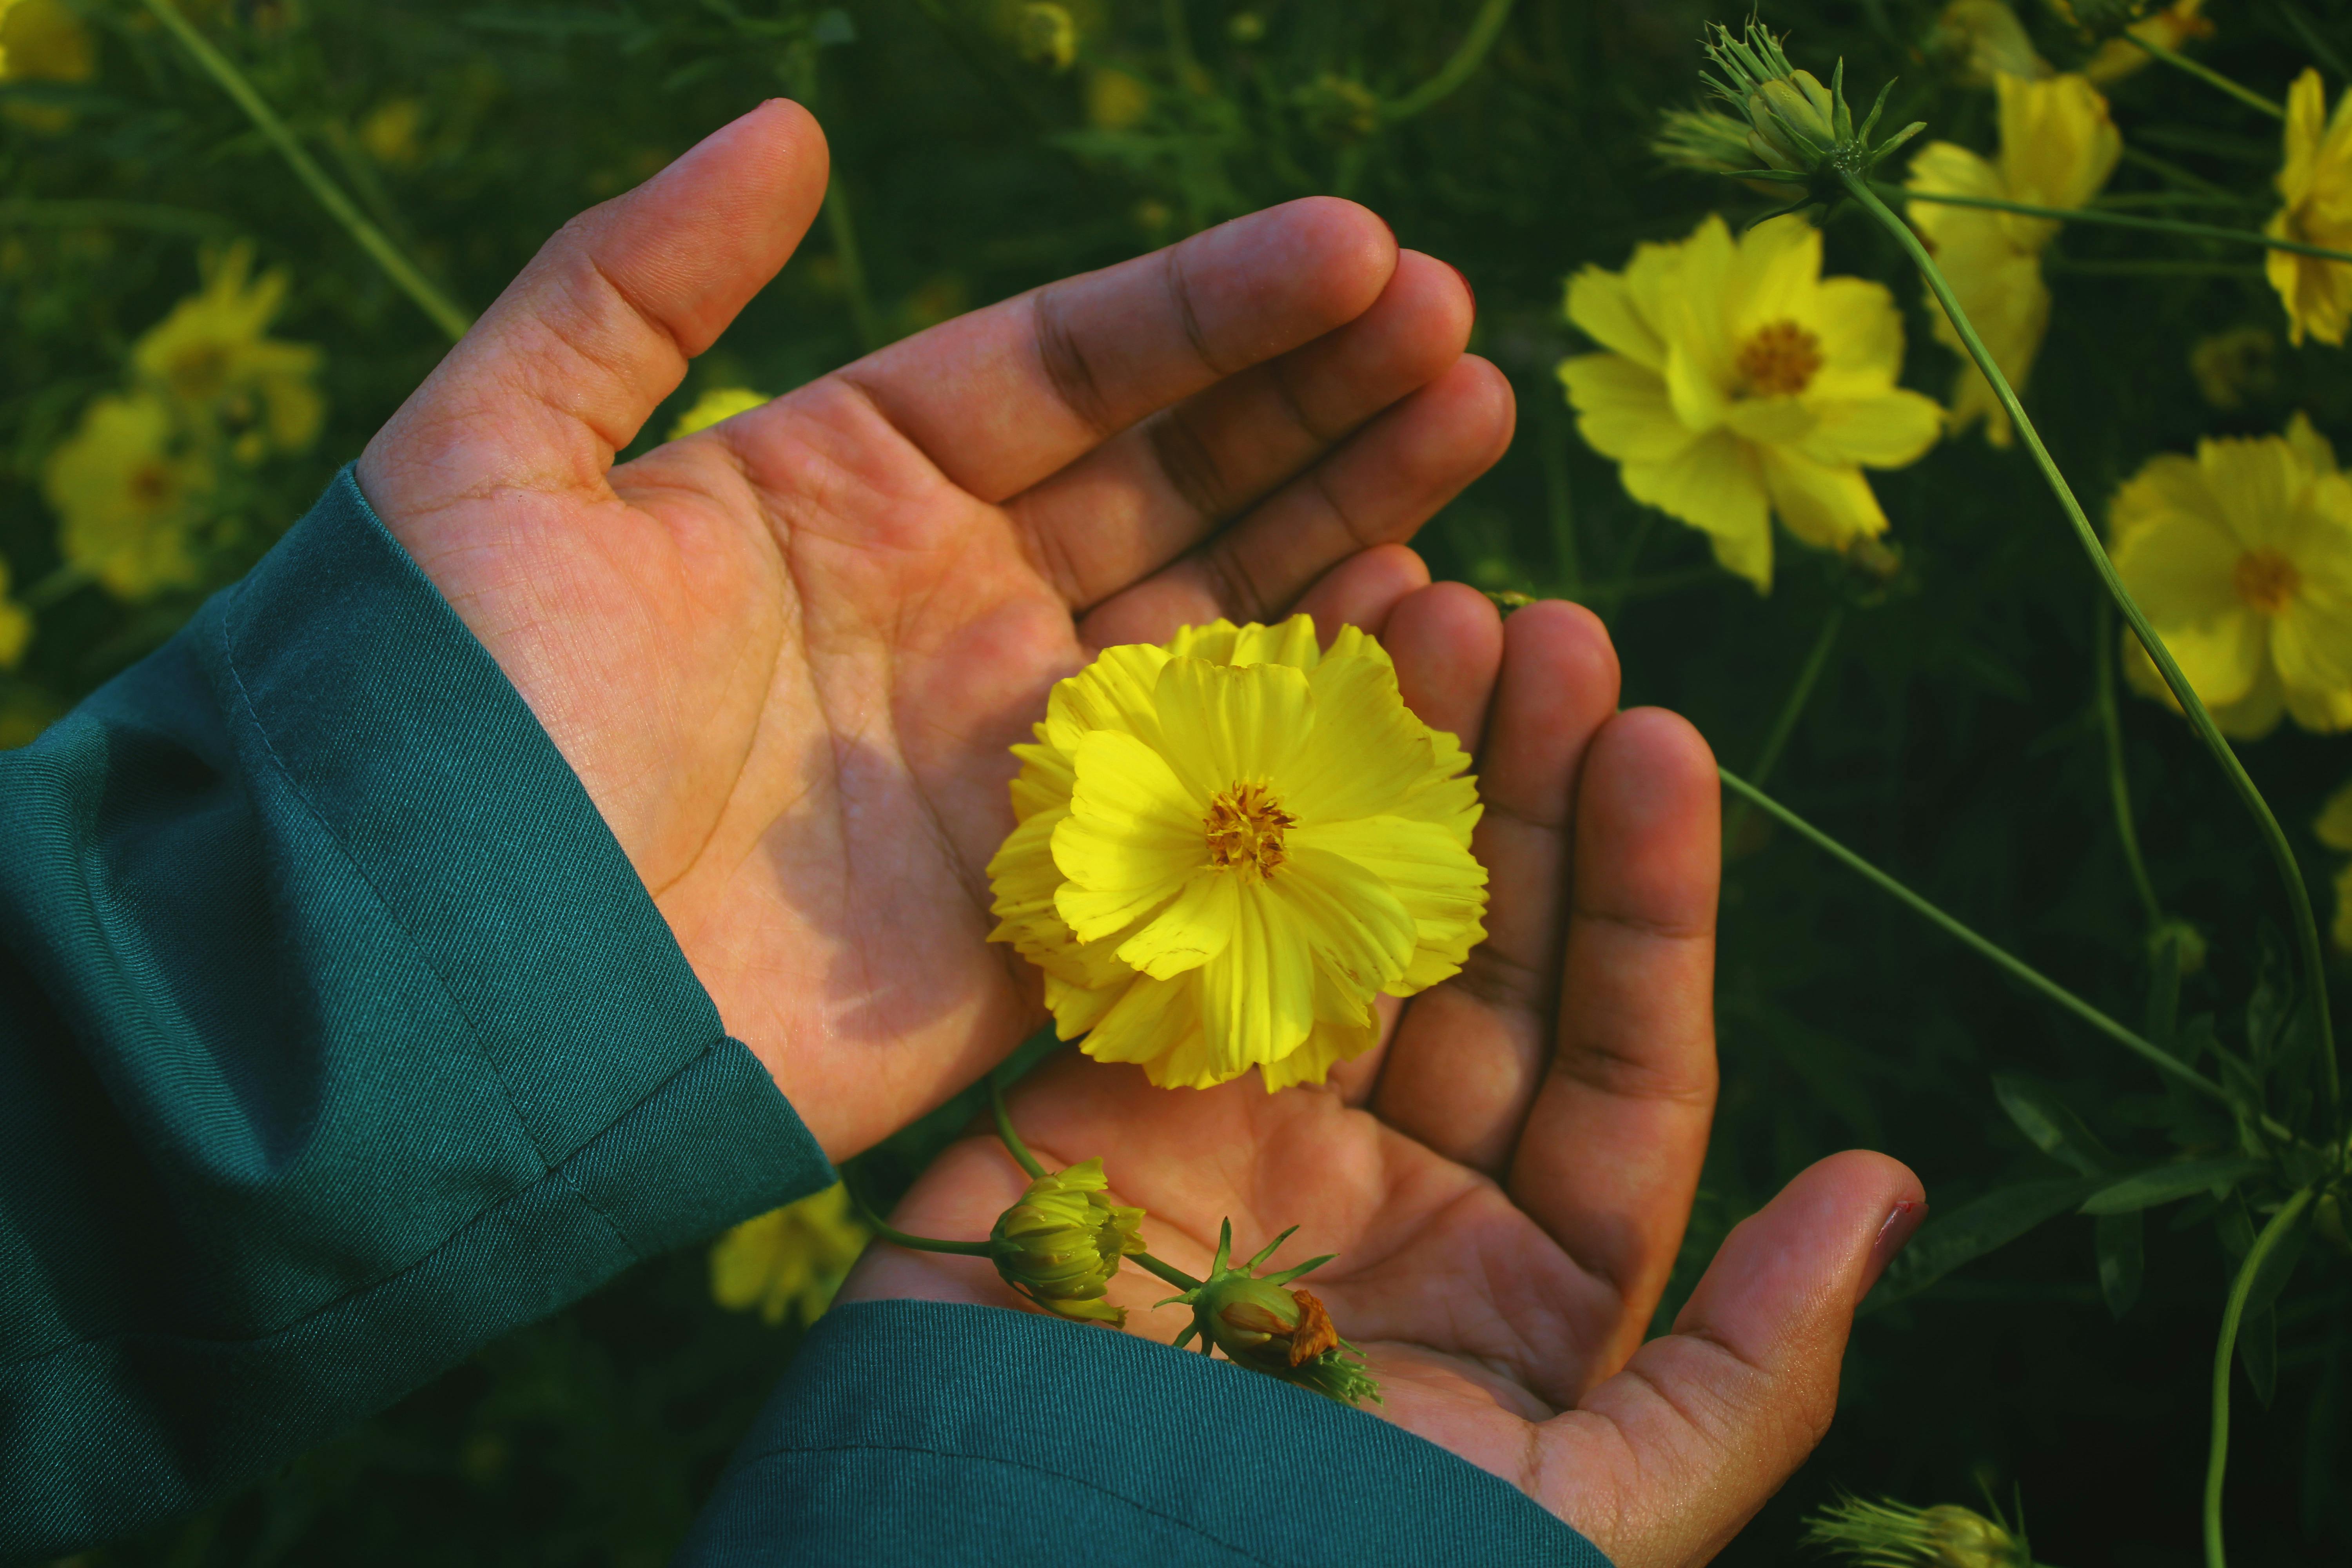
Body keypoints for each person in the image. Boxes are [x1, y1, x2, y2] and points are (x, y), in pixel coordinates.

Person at [0, 100, 1924, 1566]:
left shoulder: (1325, 833)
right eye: (1251, 813)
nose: (1255, 815)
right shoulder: (1172, 817)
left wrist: (213, 1016)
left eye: (1255, 817)